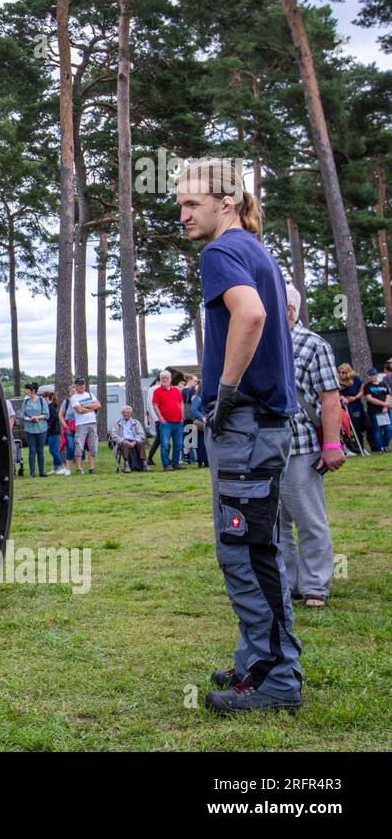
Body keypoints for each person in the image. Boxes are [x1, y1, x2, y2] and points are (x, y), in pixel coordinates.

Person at [178, 156, 302, 713]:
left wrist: (224, 391)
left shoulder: (221, 250)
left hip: (247, 425)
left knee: (246, 552)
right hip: (263, 427)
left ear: (224, 203)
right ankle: (257, 663)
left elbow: (249, 316)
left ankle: (277, 680)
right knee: (255, 546)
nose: (182, 214)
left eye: (190, 204)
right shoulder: (255, 249)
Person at [279, 285, 345, 610]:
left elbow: (330, 399)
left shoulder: (313, 344)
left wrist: (332, 444)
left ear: (289, 309)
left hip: (302, 446)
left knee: (309, 520)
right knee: (275, 524)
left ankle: (316, 585)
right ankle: (288, 583)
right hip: (266, 449)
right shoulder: (262, 343)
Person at [65, 379, 101, 475]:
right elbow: (79, 410)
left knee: (93, 446)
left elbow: (98, 405)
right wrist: (91, 409)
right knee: (79, 445)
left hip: (92, 423)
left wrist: (86, 406)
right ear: (76, 386)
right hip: (81, 424)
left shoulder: (90, 395)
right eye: (80, 384)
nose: (82, 386)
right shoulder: (74, 397)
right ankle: (79, 468)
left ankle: (92, 467)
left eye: (83, 384)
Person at [152, 370, 185, 471]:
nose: (164, 379)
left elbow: (181, 403)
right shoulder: (157, 391)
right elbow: (155, 405)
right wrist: (160, 418)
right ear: (160, 379)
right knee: (165, 444)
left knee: (178, 444)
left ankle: (175, 463)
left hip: (178, 422)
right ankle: (166, 465)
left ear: (170, 379)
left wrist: (182, 416)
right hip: (166, 423)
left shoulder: (176, 390)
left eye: (166, 377)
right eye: (162, 378)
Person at [20, 382, 50, 478]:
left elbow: (46, 415)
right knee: (32, 451)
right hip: (29, 429)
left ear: (32, 390)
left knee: (40, 450)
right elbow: (22, 415)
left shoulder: (42, 401)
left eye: (27, 389)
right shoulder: (25, 401)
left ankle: (42, 472)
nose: (26, 391)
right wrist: (29, 419)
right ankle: (32, 473)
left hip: (41, 429)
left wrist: (37, 418)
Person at [108, 405, 148, 473]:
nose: (126, 414)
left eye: (128, 412)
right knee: (124, 444)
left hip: (134, 440)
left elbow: (141, 434)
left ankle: (145, 464)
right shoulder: (117, 423)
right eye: (124, 412)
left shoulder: (136, 422)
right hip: (122, 441)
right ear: (122, 413)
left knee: (140, 443)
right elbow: (113, 435)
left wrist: (135, 441)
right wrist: (123, 440)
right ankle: (127, 465)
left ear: (130, 413)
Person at [337, 364, 366, 452]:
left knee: (356, 427)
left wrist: (356, 397)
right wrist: (342, 397)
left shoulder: (355, 379)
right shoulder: (338, 381)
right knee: (345, 428)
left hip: (355, 406)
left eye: (343, 372)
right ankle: (349, 448)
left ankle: (361, 447)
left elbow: (362, 390)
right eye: (340, 372)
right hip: (343, 407)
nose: (341, 374)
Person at [363, 367, 390, 452]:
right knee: (377, 429)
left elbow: (388, 396)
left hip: (385, 411)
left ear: (377, 375)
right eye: (370, 375)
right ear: (368, 376)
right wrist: (384, 404)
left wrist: (385, 406)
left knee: (389, 429)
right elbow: (369, 398)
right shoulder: (367, 386)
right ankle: (381, 447)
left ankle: (385, 445)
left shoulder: (383, 384)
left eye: (374, 374)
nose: (373, 376)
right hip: (374, 411)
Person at [189, 377, 209, 467]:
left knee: (206, 442)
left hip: (206, 422)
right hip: (200, 423)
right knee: (201, 442)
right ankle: (201, 461)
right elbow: (194, 410)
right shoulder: (197, 398)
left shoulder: (204, 397)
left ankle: (206, 460)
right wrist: (202, 417)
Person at [45, 390, 65, 474]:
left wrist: (48, 425)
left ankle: (61, 467)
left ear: (47, 397)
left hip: (54, 431)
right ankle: (55, 467)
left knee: (54, 450)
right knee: (53, 450)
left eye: (44, 397)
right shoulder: (50, 406)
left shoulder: (51, 406)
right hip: (52, 432)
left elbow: (53, 417)